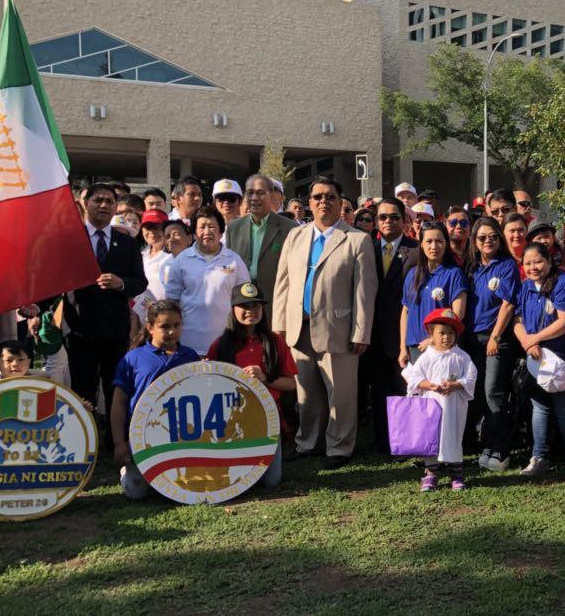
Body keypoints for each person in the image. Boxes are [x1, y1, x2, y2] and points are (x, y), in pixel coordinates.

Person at [271, 176, 377, 466]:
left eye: (330, 196)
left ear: (341, 202)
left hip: (338, 330)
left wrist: (361, 332)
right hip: (298, 327)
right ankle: (308, 443)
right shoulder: (296, 235)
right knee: (307, 393)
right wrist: (278, 324)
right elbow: (283, 283)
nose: (323, 202)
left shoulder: (357, 239)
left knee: (340, 394)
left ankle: (340, 446)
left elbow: (365, 291)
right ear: (309, 203)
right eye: (317, 197)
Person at [58, 182, 147, 425]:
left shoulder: (127, 243)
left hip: (114, 328)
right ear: (85, 204)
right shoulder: (70, 240)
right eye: (98, 200)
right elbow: (54, 278)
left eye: (109, 201)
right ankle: (84, 439)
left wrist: (121, 284)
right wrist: (37, 308)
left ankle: (115, 440)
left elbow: (139, 282)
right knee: (82, 387)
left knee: (114, 386)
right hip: (79, 329)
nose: (104, 205)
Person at [205, 283, 297, 489]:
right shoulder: (220, 345)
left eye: (256, 306)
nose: (251, 311)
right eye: (244, 306)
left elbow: (291, 384)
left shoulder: (274, 342)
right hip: (231, 420)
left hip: (267, 418)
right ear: (232, 309)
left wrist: (265, 378)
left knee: (271, 481)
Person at [112, 299, 201, 500]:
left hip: (183, 437)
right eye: (165, 326)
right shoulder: (133, 358)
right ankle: (129, 470)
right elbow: (119, 402)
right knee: (137, 493)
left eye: (177, 325)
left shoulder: (190, 356)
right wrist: (119, 442)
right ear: (150, 327)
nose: (172, 331)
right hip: (143, 437)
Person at [515, 241, 565, 484]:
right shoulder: (525, 287)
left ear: (549, 261)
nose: (533, 267)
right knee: (540, 408)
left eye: (538, 261)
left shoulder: (563, 283)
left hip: (562, 357)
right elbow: (518, 319)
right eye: (528, 263)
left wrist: (536, 338)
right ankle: (539, 457)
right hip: (535, 357)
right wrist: (527, 341)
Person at [362, 198, 419, 457]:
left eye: (394, 217)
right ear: (376, 221)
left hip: (403, 335)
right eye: (383, 217)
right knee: (379, 392)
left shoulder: (416, 251)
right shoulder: (366, 249)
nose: (388, 221)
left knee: (404, 390)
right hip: (371, 334)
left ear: (404, 221)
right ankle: (384, 444)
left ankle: (406, 443)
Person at [403, 308, 478, 492]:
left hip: (454, 407)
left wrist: (456, 384)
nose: (446, 337)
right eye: (442, 333)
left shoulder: (461, 357)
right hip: (432, 406)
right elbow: (415, 378)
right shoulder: (427, 357)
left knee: (453, 436)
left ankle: (456, 474)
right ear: (431, 333)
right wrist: (431, 386)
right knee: (432, 437)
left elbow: (471, 376)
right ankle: (431, 474)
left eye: (451, 333)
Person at [465, 216, 520, 471]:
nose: (488, 241)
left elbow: (508, 304)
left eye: (493, 236)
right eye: (482, 237)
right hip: (473, 339)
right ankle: (488, 444)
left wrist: (496, 336)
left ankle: (501, 449)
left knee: (494, 393)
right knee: (481, 395)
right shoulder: (473, 268)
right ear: (474, 242)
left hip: (496, 340)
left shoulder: (506, 265)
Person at [164, 205, 251, 356]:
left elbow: (245, 301)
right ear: (194, 233)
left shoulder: (234, 260)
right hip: (188, 342)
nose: (207, 232)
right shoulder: (182, 260)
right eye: (202, 227)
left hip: (226, 341)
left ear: (221, 231)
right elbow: (172, 301)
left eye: (212, 226)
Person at [399, 223, 468, 368]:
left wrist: (432, 340)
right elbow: (405, 311)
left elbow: (457, 315)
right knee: (417, 390)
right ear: (421, 244)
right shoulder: (412, 274)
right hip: (414, 347)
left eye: (439, 241)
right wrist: (402, 348)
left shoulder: (454, 273)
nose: (434, 246)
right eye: (429, 241)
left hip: (442, 348)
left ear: (446, 244)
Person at [226, 174, 298, 304]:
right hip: (242, 303)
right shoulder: (233, 228)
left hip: (275, 302)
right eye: (250, 193)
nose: (254, 198)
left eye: (260, 193)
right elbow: (229, 266)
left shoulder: (290, 228)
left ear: (271, 195)